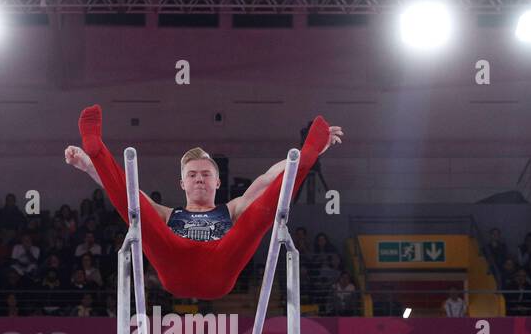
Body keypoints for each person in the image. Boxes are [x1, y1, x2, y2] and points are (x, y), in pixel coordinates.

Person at [67, 104, 339, 299]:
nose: (199, 179)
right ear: (182, 183)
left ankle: (304, 158)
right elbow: (128, 194)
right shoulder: (166, 214)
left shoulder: (232, 208)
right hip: (174, 264)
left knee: (261, 215)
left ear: (217, 183)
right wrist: (89, 166)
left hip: (220, 266)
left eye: (206, 174)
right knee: (135, 207)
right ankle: (97, 151)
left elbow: (268, 179)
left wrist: (310, 156)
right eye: (193, 175)